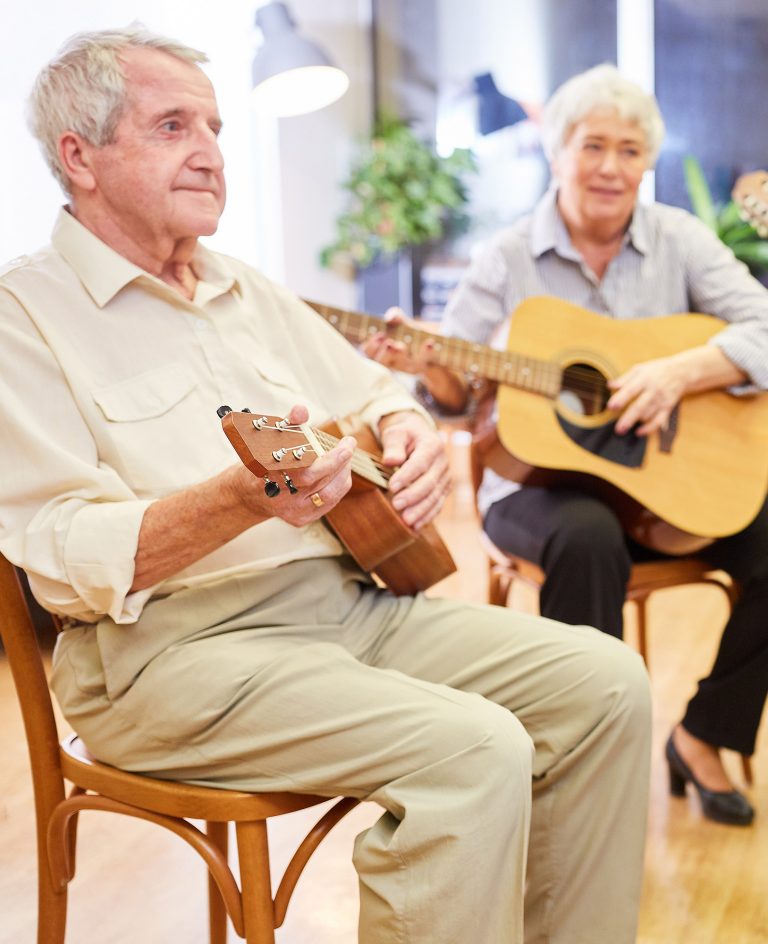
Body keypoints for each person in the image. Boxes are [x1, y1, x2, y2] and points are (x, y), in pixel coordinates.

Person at [0, 30, 652, 944]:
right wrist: (238, 500)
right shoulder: (23, 317)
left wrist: (408, 430)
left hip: (350, 608)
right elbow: (66, 563)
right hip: (171, 659)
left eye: (217, 128)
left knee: (609, 683)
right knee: (474, 752)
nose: (211, 153)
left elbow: (378, 392)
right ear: (81, 157)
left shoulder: (244, 288)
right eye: (173, 125)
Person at [364, 64, 768, 828]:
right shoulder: (507, 256)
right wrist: (434, 366)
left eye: (628, 149)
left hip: (663, 489)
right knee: (585, 537)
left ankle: (705, 733)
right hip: (536, 490)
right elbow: (456, 401)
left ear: (647, 161)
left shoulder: (681, 240)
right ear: (557, 153)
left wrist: (682, 372)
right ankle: (586, 775)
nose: (611, 167)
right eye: (592, 147)